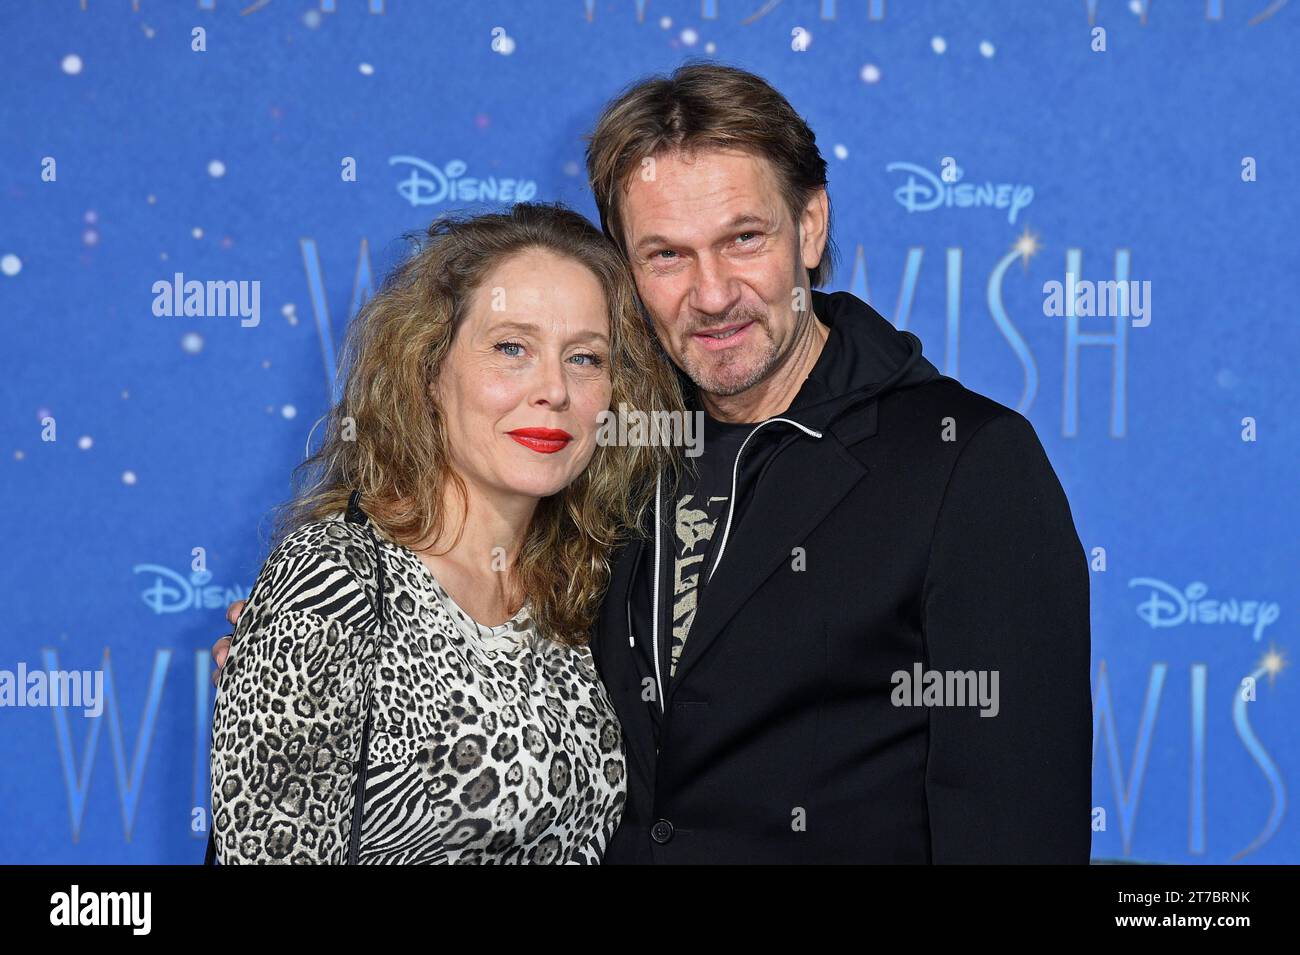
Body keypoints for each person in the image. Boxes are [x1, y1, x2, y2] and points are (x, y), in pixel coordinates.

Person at [216, 63, 1093, 864]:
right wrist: (307, 659)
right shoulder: (613, 458)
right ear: (626, 267)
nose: (710, 294)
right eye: (666, 254)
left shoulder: (963, 462)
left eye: (743, 238)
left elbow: (1018, 829)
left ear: (811, 225)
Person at [208, 202, 684, 863]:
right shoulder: (332, 576)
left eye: (584, 357)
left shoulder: (586, 590)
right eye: (511, 347)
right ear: (432, 369)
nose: (553, 388)